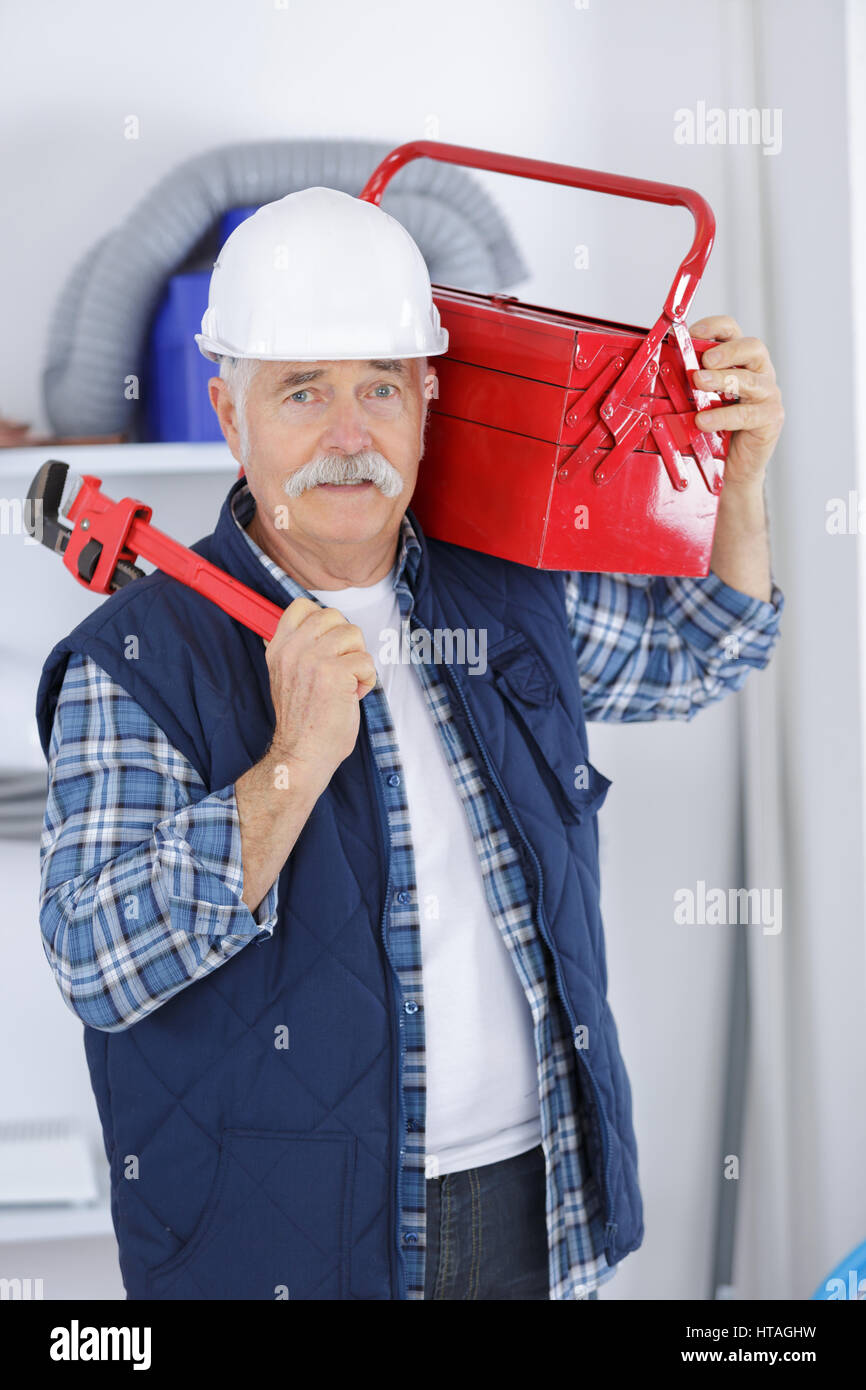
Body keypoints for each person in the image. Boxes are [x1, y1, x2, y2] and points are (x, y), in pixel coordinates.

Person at [35, 186, 785, 1301]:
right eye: (301, 392)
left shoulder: (507, 593)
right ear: (229, 415)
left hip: (536, 1206)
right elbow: (96, 958)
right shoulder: (134, 661)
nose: (349, 437)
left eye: (380, 388)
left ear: (427, 403)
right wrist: (288, 763)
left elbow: (700, 655)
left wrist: (738, 485)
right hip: (283, 1247)